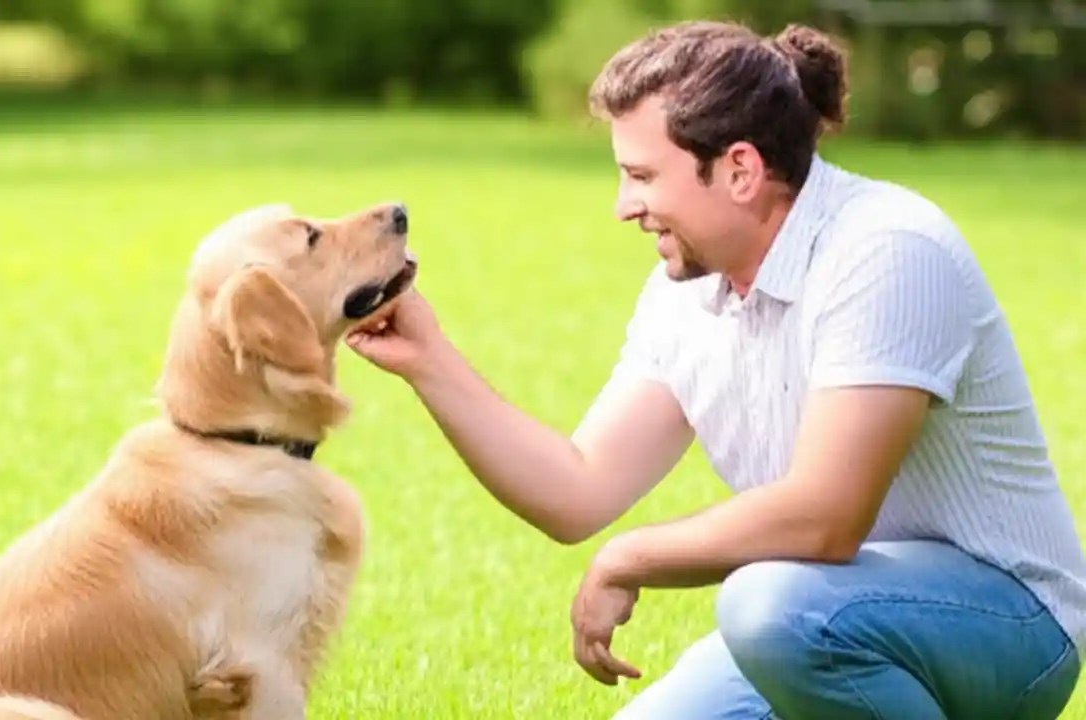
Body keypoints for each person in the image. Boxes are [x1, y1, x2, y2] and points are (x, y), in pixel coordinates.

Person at [345, 19, 1086, 719]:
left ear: (739, 170)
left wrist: (629, 557)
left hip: (1011, 626)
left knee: (765, 607)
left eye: (641, 176)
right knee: (771, 613)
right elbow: (575, 491)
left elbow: (825, 518)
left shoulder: (887, 250)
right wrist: (429, 361)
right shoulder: (688, 294)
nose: (623, 207)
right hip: (827, 612)